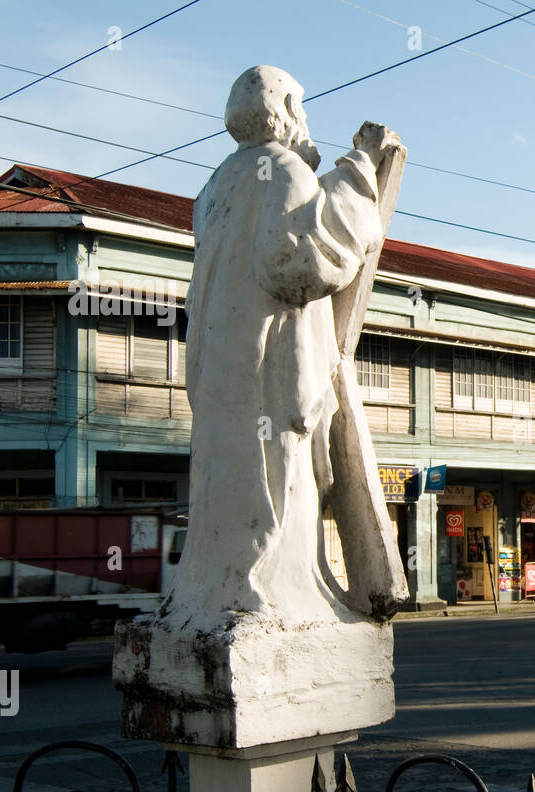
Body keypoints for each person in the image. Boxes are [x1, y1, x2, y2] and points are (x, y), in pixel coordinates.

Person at [162, 66, 399, 633]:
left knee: (228, 486)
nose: (308, 123)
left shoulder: (217, 186)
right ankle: (271, 598)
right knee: (278, 489)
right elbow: (304, 260)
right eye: (304, 109)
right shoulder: (282, 170)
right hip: (268, 373)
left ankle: (210, 599)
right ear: (288, 109)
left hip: (222, 374)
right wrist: (360, 171)